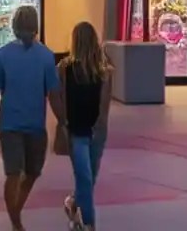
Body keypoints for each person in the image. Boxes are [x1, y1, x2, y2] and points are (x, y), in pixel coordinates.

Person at [0, 5, 64, 231]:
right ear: (36, 26)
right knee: (28, 173)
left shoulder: (0, 57)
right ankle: (16, 221)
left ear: (13, 25)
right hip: (33, 126)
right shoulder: (46, 57)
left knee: (15, 174)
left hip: (10, 125)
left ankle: (15, 215)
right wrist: (63, 122)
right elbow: (54, 95)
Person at [58, 22, 113, 231]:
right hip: (77, 132)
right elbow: (61, 99)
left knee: (89, 179)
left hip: (94, 132)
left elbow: (104, 105)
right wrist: (64, 126)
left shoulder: (104, 71)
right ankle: (90, 224)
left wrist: (99, 128)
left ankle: (73, 202)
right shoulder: (64, 68)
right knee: (85, 176)